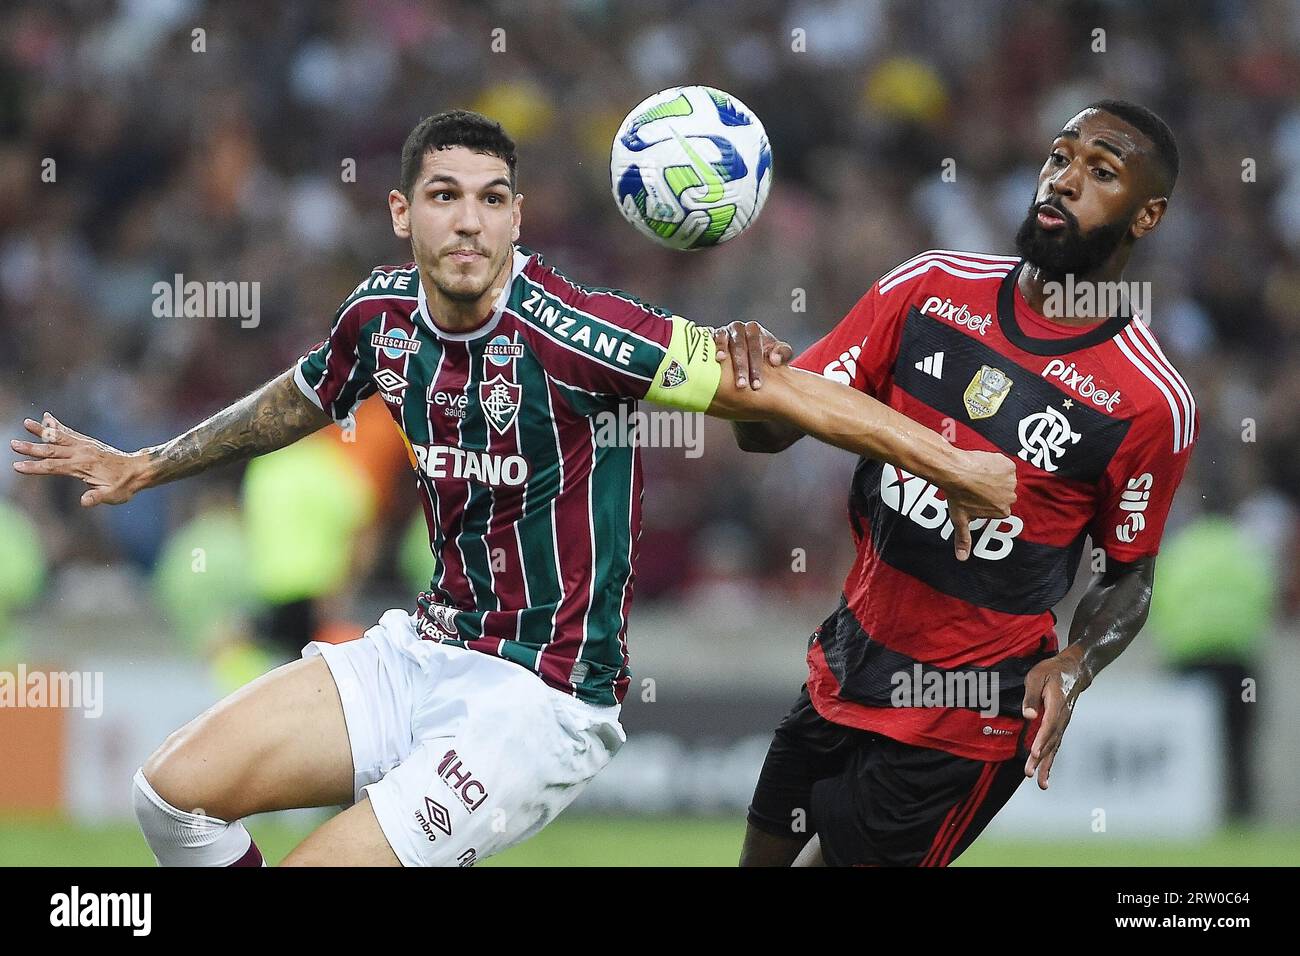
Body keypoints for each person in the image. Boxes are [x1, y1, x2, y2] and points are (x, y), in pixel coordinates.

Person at [10, 110, 1014, 867]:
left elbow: (789, 396)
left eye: (492, 197)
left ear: (516, 215)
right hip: (424, 647)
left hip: (540, 694)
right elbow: (301, 397)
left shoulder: (580, 331)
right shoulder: (381, 315)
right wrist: (148, 463)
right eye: (444, 194)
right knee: (168, 796)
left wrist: (957, 461)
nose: (469, 219)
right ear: (403, 211)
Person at [719, 100, 1199, 866]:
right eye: (1059, 156)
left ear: (1147, 216)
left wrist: (1078, 663)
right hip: (845, 659)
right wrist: (755, 380)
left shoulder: (1149, 400)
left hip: (963, 714)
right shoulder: (927, 289)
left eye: (1100, 172)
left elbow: (1130, 576)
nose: (1064, 180)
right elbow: (768, 433)